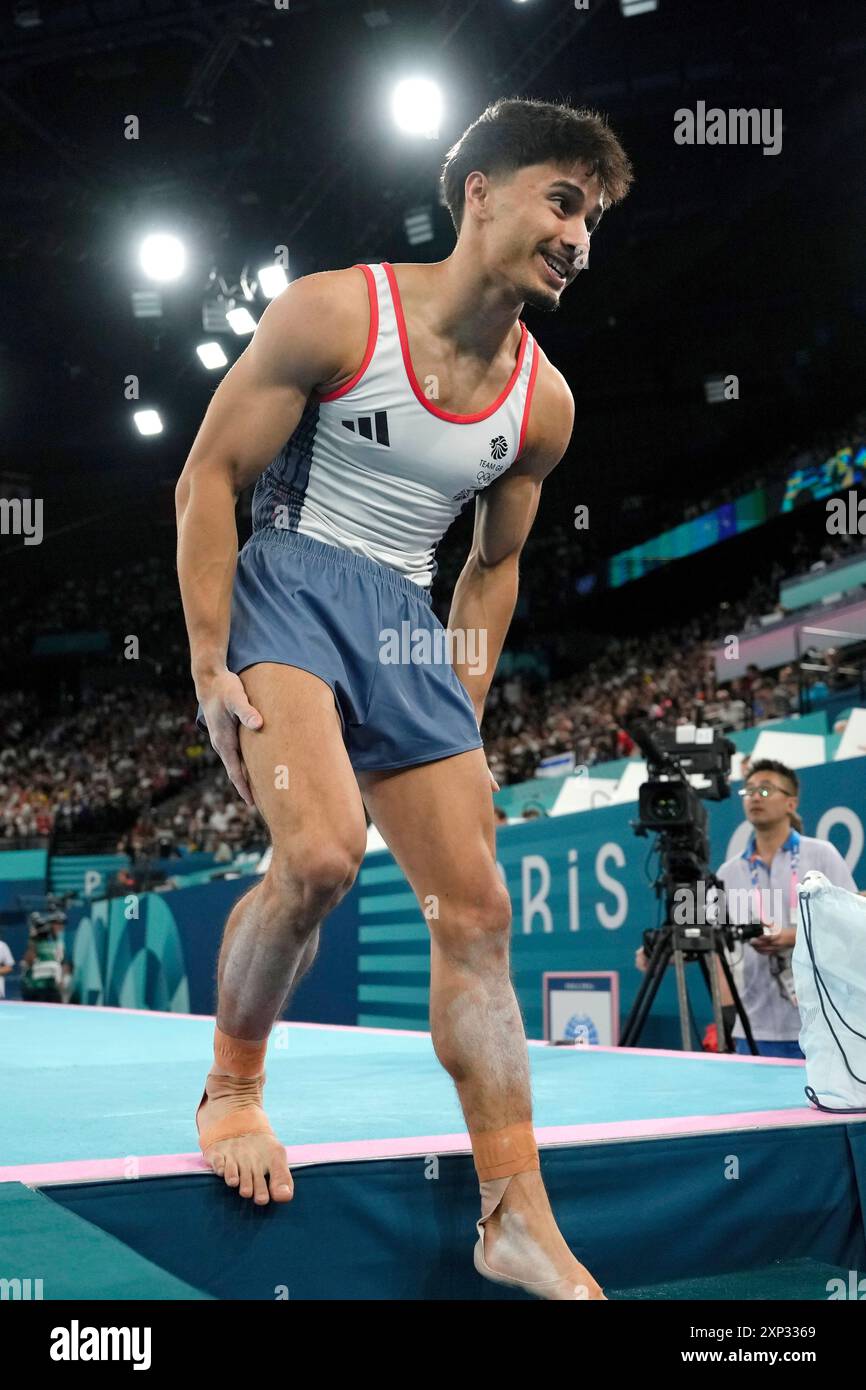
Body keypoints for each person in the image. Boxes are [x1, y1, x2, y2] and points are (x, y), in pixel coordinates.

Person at [175, 97, 632, 1300]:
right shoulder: (336, 310)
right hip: (289, 574)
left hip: (403, 626)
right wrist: (209, 662)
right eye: (563, 200)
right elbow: (210, 475)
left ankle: (513, 1214)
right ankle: (231, 1087)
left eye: (595, 217)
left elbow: (490, 565)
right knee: (321, 853)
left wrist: (458, 706)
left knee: (475, 908)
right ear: (478, 190)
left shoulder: (542, 404)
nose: (581, 236)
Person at [717, 759, 858, 1057]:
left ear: (790, 803)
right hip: (753, 1027)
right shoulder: (729, 873)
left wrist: (794, 937)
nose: (755, 797)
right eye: (750, 791)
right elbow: (716, 946)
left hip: (822, 1023)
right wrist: (727, 1012)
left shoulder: (821, 855)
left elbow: (853, 925)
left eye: (766, 790)